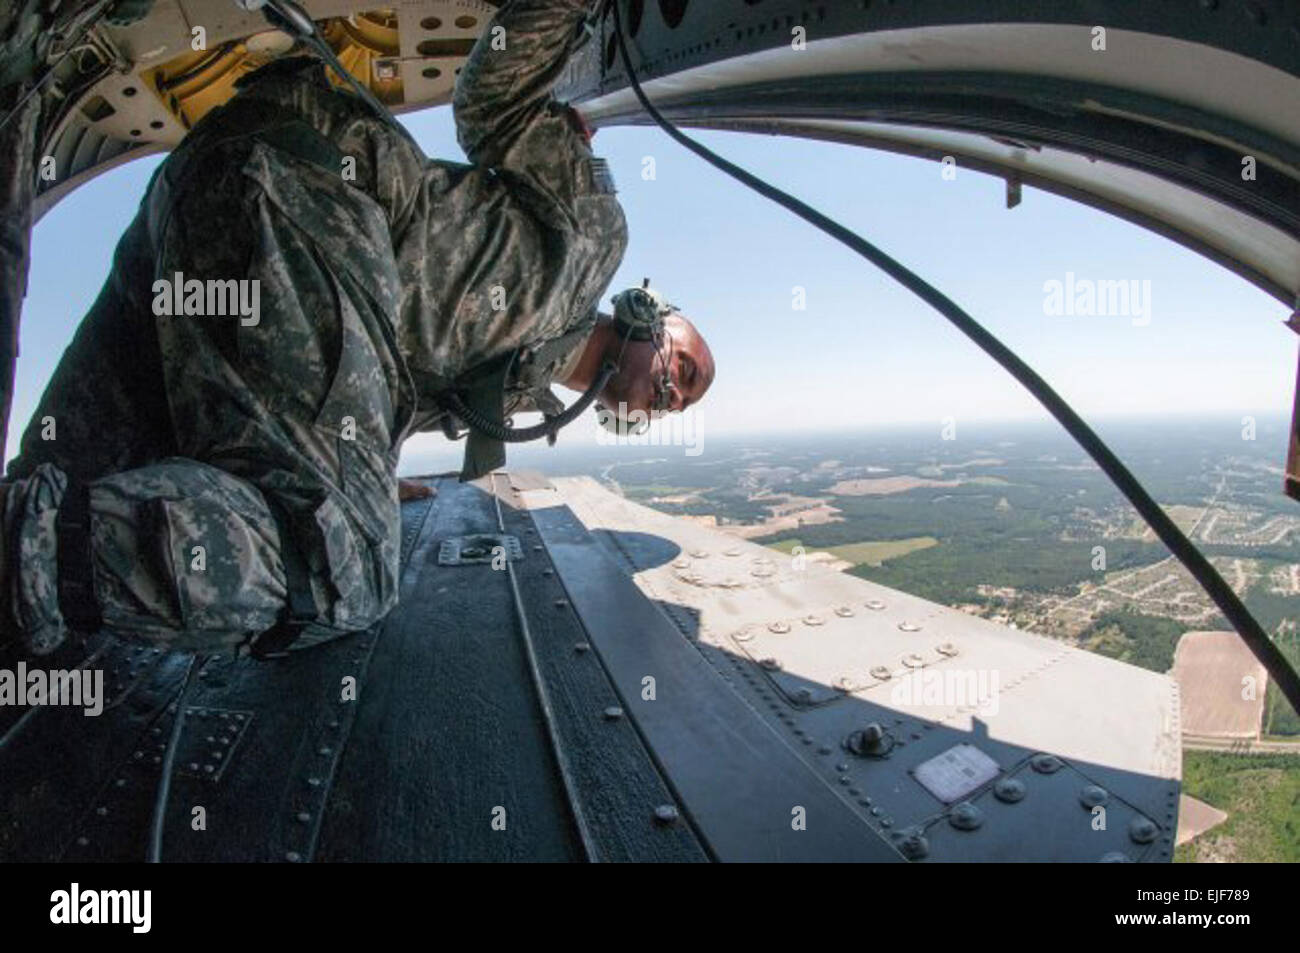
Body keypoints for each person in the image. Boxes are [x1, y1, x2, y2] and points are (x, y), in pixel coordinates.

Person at [0, 0, 713, 659]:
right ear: (649, 314)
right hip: (310, 188)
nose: (674, 397)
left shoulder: (517, 395)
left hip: (215, 208)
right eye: (685, 370)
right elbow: (496, 96)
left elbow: (379, 359)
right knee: (344, 570)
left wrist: (365, 462)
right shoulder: (596, 238)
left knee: (72, 471)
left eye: (682, 404)